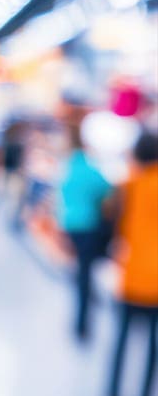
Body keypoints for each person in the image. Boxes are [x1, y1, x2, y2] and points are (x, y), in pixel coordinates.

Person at [107, 131, 158, 396]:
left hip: (131, 277)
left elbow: (116, 228)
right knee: (153, 348)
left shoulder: (128, 185)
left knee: (122, 344)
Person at [58, 123, 113, 341]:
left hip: (71, 226)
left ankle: (81, 319)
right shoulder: (90, 169)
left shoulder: (67, 167)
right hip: (88, 226)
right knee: (85, 273)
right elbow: (108, 189)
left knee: (82, 270)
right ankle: (82, 323)